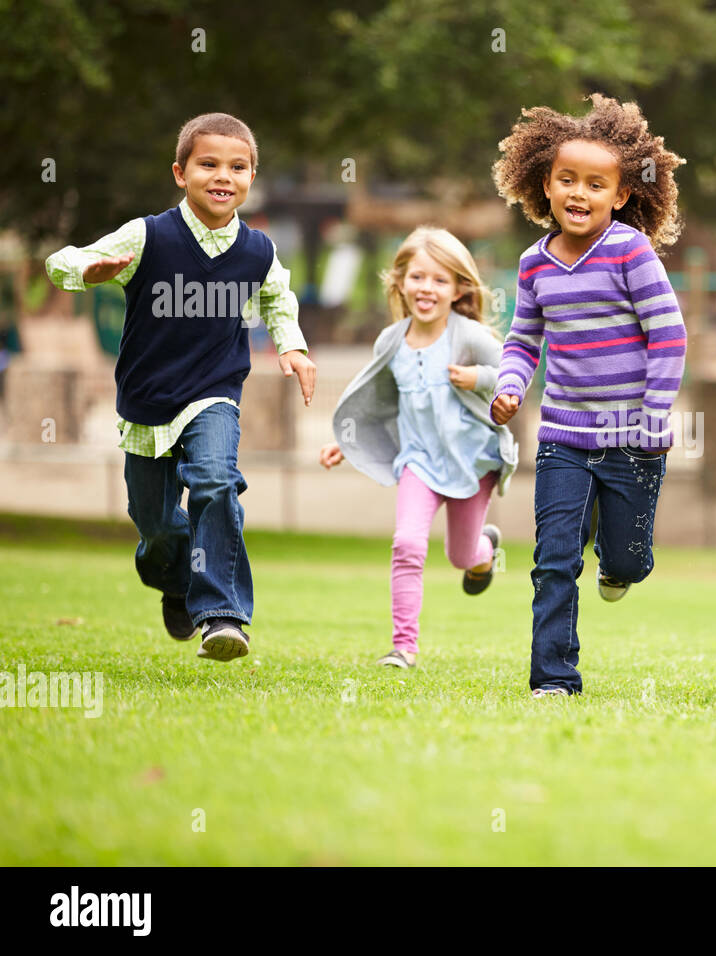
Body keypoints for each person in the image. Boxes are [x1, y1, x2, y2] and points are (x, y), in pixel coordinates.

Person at [45, 112, 315, 662]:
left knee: (215, 481)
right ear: (180, 172)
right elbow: (62, 261)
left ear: (252, 176)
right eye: (209, 164)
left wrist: (293, 346)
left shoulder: (258, 251)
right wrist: (89, 273)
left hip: (214, 393)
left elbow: (278, 300)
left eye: (238, 167)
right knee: (157, 526)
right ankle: (176, 580)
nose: (224, 176)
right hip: (147, 400)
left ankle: (223, 616)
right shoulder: (148, 236)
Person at [489, 94, 687, 697]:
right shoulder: (533, 265)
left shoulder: (630, 251)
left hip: (634, 439)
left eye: (596, 184)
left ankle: (619, 552)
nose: (579, 193)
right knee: (553, 561)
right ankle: (553, 678)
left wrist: (655, 413)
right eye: (567, 180)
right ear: (542, 185)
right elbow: (523, 340)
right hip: (563, 440)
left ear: (621, 195)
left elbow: (668, 334)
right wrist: (509, 384)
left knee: (626, 563)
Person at [320, 227, 517, 668]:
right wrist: (346, 441)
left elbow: (511, 372)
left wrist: (478, 379)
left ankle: (483, 551)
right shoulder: (390, 343)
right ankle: (404, 647)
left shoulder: (468, 337)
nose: (427, 288)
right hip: (419, 463)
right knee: (407, 544)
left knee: (460, 556)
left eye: (440, 280)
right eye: (417, 277)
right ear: (400, 282)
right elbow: (379, 403)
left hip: (472, 462)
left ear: (458, 289)